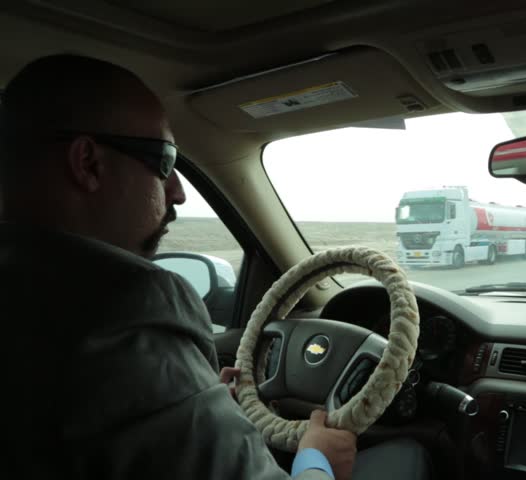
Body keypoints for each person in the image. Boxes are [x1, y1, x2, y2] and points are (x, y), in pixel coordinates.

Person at [0, 55, 427, 480]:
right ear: (88, 163)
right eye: (165, 161)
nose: (178, 191)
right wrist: (317, 460)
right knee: (408, 456)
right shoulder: (123, 317)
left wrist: (196, 398)